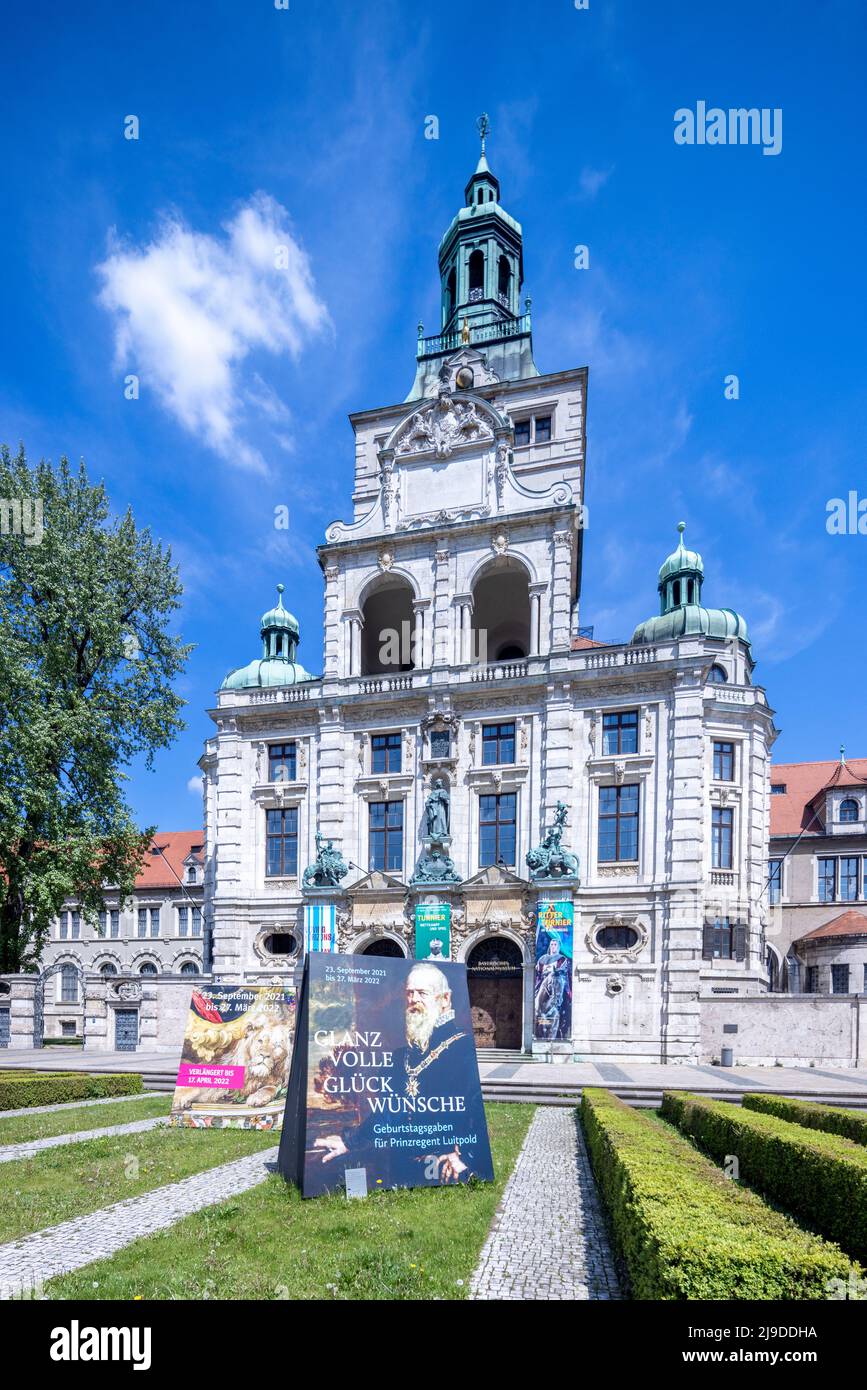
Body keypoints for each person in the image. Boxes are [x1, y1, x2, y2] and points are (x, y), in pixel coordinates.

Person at [312, 963, 484, 1185]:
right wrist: (350, 1142)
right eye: (410, 993)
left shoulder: (463, 1050)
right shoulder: (400, 1056)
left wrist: (466, 1155)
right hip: (403, 1169)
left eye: (423, 993)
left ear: (445, 1000)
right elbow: (388, 1113)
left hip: (448, 1172)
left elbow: (477, 1113)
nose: (413, 1000)